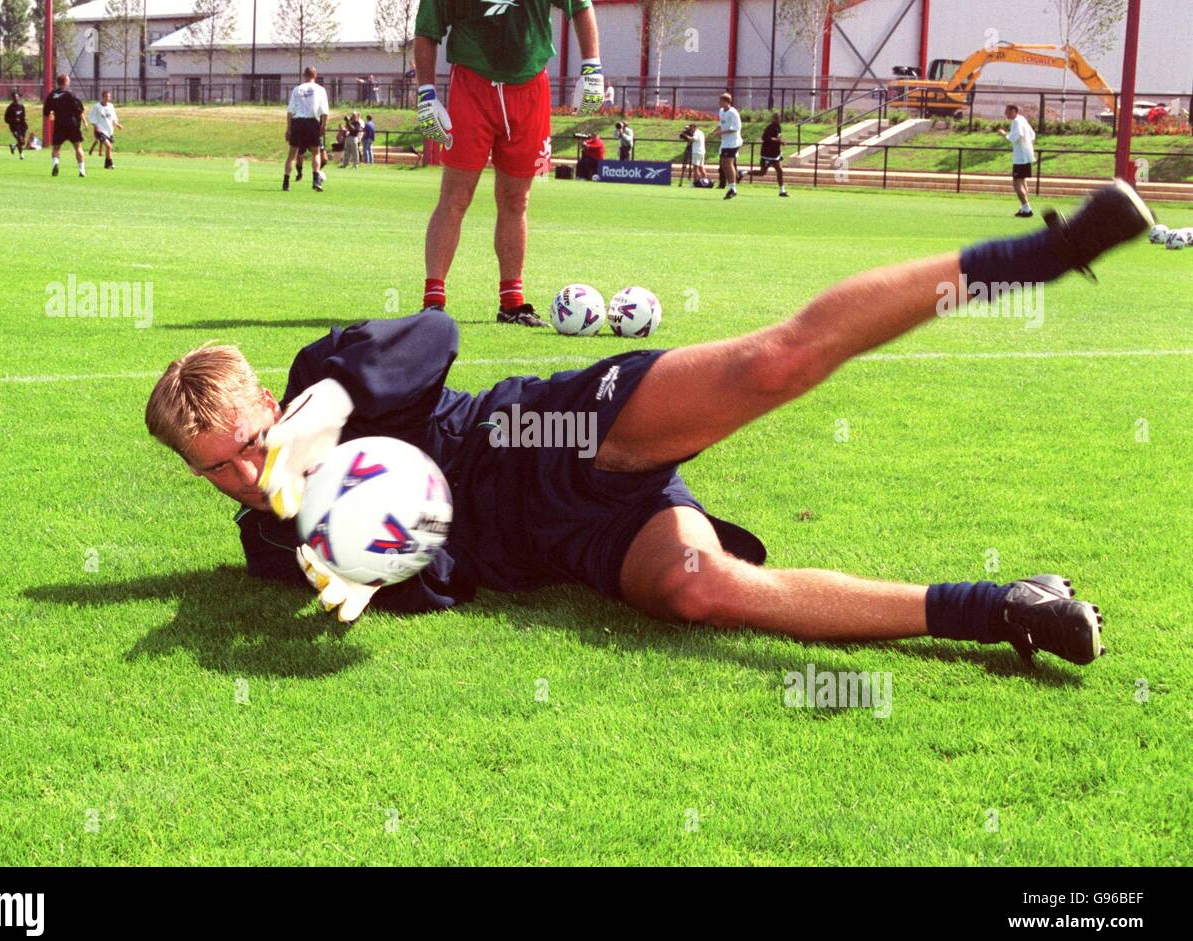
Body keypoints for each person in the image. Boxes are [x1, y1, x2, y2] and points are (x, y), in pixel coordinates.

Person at [144, 179, 1153, 665]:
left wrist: (323, 420)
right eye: (218, 470)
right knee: (697, 588)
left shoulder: (329, 376)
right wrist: (367, 572)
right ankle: (1006, 605)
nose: (245, 471)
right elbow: (442, 582)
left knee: (773, 360)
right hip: (562, 541)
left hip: (542, 430)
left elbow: (434, 333)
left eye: (247, 440)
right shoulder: (273, 545)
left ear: (269, 405)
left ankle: (1032, 256)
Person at [413, 0, 604, 326]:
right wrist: (426, 92)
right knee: (456, 196)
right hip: (472, 86)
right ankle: (434, 302)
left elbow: (580, 5)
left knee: (516, 199)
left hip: (529, 85)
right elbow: (426, 31)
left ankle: (511, 303)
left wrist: (592, 65)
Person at [283, 66, 329, 193]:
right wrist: (323, 126)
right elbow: (324, 111)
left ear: (304, 75)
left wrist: (289, 128)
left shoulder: (297, 89)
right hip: (312, 122)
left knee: (292, 155)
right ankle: (315, 180)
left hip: (297, 122)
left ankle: (286, 183)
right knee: (316, 153)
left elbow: (290, 112)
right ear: (315, 75)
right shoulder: (320, 90)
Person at [42, 74, 86, 178]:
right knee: (78, 147)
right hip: (72, 124)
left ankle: (56, 163)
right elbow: (79, 110)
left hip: (59, 125)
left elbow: (46, 112)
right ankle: (82, 170)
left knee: (56, 148)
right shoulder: (70, 94)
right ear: (66, 81)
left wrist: (49, 119)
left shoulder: (52, 95)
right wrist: (84, 122)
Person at [998, 104, 1036, 218]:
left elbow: (1017, 135)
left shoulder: (1017, 122)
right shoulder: (1022, 119)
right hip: (1026, 156)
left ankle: (1027, 208)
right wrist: (1028, 148)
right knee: (1022, 182)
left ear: (1014, 111)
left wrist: (1005, 135)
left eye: (1008, 112)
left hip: (1020, 158)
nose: (1006, 114)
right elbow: (1033, 135)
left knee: (1016, 183)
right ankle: (1024, 208)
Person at [709, 92, 743, 200]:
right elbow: (721, 124)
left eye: (720, 101)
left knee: (728, 163)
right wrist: (713, 132)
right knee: (723, 164)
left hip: (733, 142)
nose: (719, 103)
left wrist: (720, 133)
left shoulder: (733, 113)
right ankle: (730, 186)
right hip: (725, 142)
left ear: (726, 101)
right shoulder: (721, 111)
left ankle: (733, 188)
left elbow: (735, 128)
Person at [87, 91, 123, 170]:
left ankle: (106, 165)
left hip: (109, 130)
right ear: (102, 97)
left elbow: (113, 117)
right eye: (106, 96)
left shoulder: (111, 106)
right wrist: (96, 126)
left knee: (108, 148)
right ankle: (111, 163)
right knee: (108, 146)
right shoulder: (97, 106)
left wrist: (117, 124)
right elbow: (91, 117)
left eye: (109, 97)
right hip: (100, 130)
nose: (108, 98)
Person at [756, 112, 788, 197]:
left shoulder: (779, 127)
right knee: (762, 173)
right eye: (777, 118)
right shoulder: (770, 127)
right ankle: (743, 173)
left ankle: (782, 191)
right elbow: (764, 138)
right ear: (774, 119)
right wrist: (777, 140)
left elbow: (778, 138)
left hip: (775, 154)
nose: (779, 119)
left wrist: (781, 142)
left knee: (780, 171)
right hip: (767, 153)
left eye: (780, 117)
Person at [3, 92, 28, 159]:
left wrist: (25, 118)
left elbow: (23, 115)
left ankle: (13, 146)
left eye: (17, 96)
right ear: (12, 98)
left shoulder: (21, 106)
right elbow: (6, 119)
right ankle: (21, 156)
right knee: (19, 140)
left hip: (22, 126)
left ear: (18, 97)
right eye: (14, 97)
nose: (16, 98)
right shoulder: (10, 108)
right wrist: (14, 120)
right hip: (14, 127)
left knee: (23, 142)